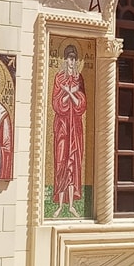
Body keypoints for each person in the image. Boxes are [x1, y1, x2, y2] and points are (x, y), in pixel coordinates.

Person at [51, 44, 86, 210]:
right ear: (65, 60)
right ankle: (59, 204)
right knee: (61, 162)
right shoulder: (59, 78)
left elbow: (82, 105)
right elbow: (56, 104)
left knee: (74, 164)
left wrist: (71, 92)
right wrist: (66, 93)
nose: (72, 61)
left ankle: (72, 205)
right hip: (63, 127)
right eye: (69, 58)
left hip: (76, 128)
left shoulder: (80, 79)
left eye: (75, 58)